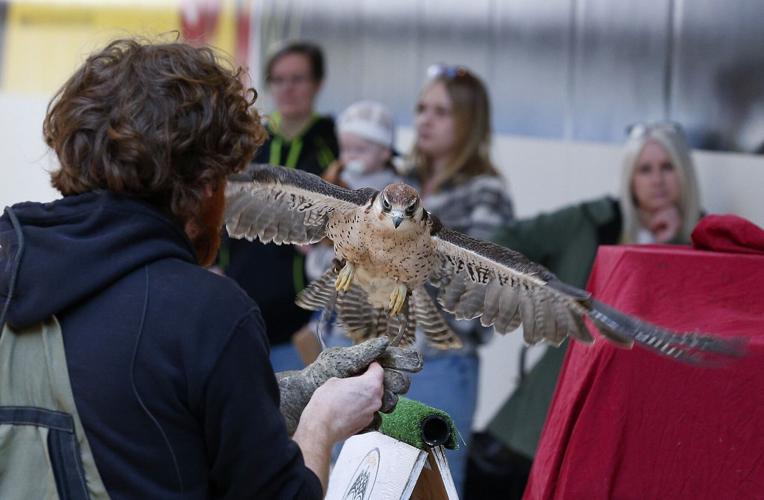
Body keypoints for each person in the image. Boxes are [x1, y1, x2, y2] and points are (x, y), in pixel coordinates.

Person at [0, 38, 390, 499]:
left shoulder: (14, 266)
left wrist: (291, 393)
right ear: (205, 184)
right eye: (226, 179)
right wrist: (323, 421)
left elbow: (139, 417)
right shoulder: (208, 314)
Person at [469, 121, 702, 499]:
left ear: (685, 174)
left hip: (641, 417)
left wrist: (676, 246)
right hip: (559, 405)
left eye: (668, 167)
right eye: (645, 169)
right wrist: (537, 300)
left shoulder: (705, 239)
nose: (657, 180)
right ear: (630, 178)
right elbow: (500, 244)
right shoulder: (592, 222)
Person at [406, 64, 515, 497]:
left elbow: (483, 295)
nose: (424, 120)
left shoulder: (485, 192)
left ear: (469, 122)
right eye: (421, 108)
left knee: (435, 489)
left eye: (441, 112)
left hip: (441, 364)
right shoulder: (403, 182)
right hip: (382, 361)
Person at [219, 40, 339, 371]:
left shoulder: (335, 147)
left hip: (302, 321)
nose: (288, 89)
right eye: (279, 79)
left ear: (317, 84)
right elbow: (218, 205)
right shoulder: (246, 142)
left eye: (298, 79)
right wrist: (214, 263)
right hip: (241, 309)